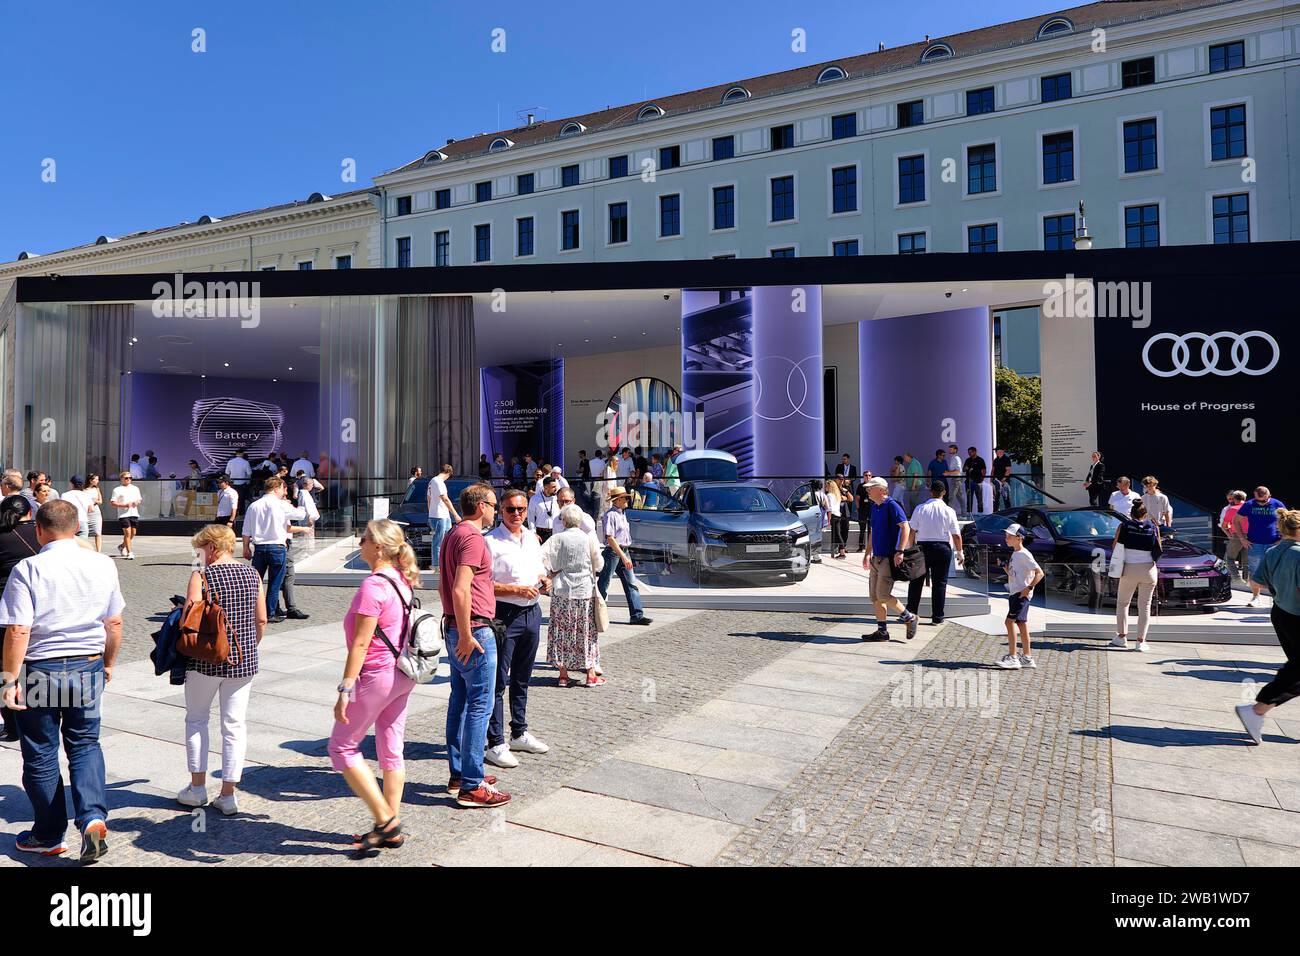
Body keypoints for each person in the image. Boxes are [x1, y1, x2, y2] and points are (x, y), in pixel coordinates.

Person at [1, 500, 125, 861]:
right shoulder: (103, 564)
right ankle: (92, 818)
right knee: (85, 744)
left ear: (39, 530)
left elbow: (19, 628)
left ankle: (48, 833)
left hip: (40, 670)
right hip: (86, 665)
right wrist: (108, 662)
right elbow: (113, 622)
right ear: (76, 528)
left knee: (40, 752)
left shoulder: (29, 568)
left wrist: (8, 679)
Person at [329, 519, 421, 851]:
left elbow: (361, 644)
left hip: (376, 675)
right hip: (401, 675)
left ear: (379, 547)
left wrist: (345, 688)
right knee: (391, 749)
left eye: (365, 539)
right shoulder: (401, 579)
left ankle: (386, 819)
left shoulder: (373, 585)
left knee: (341, 746)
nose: (360, 544)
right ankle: (390, 827)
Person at [177, 525, 266, 816]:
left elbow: (189, 619)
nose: (198, 555)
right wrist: (248, 646)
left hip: (206, 659)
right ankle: (228, 795)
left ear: (212, 548)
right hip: (243, 661)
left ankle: (197, 788)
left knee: (197, 719)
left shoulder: (201, 575)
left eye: (200, 550)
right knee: (234, 725)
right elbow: (261, 620)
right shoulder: (252, 573)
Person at [442, 483, 510, 808]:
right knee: (479, 704)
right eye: (495, 505)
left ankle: (461, 773)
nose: (497, 511)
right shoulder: (472, 537)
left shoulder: (454, 533)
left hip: (456, 627)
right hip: (474, 629)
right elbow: (460, 589)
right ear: (481, 506)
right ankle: (472, 784)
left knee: (460, 701)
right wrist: (468, 634)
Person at [484, 488, 551, 771]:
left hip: (532, 613)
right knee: (498, 681)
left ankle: (519, 732)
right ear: (500, 510)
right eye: (510, 509)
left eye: (521, 509)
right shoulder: (490, 542)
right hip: (504, 615)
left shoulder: (532, 540)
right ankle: (495, 742)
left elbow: (540, 571)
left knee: (523, 677)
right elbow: (482, 583)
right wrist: (512, 589)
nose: (516, 514)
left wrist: (544, 581)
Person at [1236, 508, 1300, 745]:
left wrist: (1281, 586)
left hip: (1281, 612)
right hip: (1295, 615)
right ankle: (1256, 710)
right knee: (1297, 670)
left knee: (1296, 666)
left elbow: (1256, 581)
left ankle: (1256, 711)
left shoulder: (1274, 551)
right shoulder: (1299, 554)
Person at [543, 504, 605, 688]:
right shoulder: (588, 539)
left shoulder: (557, 539)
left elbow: (542, 557)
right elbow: (599, 564)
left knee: (561, 631)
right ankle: (590, 674)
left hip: (562, 590)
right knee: (586, 631)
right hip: (583, 591)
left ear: (563, 521)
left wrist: (553, 570)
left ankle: (563, 675)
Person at [860, 476, 919, 641]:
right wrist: (867, 554)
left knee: (883, 595)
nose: (867, 490)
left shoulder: (892, 505)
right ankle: (882, 632)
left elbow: (905, 526)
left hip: (887, 558)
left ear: (880, 489)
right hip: (876, 559)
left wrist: (900, 551)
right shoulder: (875, 507)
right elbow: (872, 532)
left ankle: (909, 617)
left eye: (870, 487)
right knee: (875, 597)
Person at [0, 495, 39, 742]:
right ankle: (34, 718)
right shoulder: (42, 533)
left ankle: (12, 724)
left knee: (4, 667)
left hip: (3, 609)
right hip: (38, 607)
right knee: (31, 662)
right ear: (30, 512)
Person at [241, 477, 306, 624]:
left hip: (259, 548)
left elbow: (246, 530)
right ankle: (269, 613)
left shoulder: (254, 506)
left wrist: (245, 547)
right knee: (274, 583)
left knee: (255, 583)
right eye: (282, 488)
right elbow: (300, 515)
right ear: (276, 488)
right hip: (277, 547)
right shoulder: (281, 505)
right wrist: (302, 506)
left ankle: (252, 611)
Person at [905, 481, 964, 626]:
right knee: (940, 584)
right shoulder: (949, 511)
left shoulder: (920, 508)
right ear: (944, 493)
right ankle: (937, 617)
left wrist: (909, 547)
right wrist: (960, 552)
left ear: (931, 492)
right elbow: (956, 535)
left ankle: (911, 614)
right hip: (942, 547)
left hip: (923, 547)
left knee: (916, 582)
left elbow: (912, 530)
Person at [1111, 500, 1161, 652]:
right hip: (1149, 570)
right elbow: (1158, 548)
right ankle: (1141, 641)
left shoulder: (1124, 526)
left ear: (1131, 513)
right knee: (1144, 607)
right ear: (1145, 514)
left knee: (1123, 603)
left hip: (1129, 569)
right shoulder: (1153, 527)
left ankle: (1121, 637)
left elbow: (1115, 546)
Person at [598, 487, 652, 625]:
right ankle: (594, 613)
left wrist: (625, 554)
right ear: (618, 500)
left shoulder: (622, 513)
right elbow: (610, 538)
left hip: (622, 551)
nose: (628, 499)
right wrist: (623, 556)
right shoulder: (610, 515)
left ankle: (637, 615)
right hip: (613, 553)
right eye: (625, 497)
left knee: (631, 583)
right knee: (603, 585)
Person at [998, 523, 1044, 670]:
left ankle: (1013, 657)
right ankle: (1027, 657)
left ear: (1019, 538)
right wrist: (1006, 568)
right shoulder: (1016, 553)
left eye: (1010, 536)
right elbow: (1015, 575)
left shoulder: (1024, 554)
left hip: (1020, 594)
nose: (1007, 538)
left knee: (1009, 622)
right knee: (1021, 624)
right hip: (1016, 592)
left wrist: (1028, 588)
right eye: (1006, 536)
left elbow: (1040, 573)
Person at [1241, 485, 1288, 607]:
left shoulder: (1277, 504)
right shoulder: (1249, 505)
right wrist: (1242, 538)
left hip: (1274, 543)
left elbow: (1287, 521)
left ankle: (1277, 598)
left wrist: (1283, 538)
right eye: (1258, 500)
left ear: (1269, 496)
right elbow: (1236, 520)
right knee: (1254, 571)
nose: (1261, 503)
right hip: (1254, 544)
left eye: (1264, 500)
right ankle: (1256, 597)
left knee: (1276, 571)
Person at [426, 464, 459, 567]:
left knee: (445, 541)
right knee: (439, 542)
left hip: (440, 514)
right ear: (448, 473)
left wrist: (430, 511)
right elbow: (445, 499)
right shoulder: (438, 482)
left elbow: (429, 498)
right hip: (439, 515)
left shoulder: (432, 481)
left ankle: (444, 564)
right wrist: (455, 514)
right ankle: (437, 565)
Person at [109, 471, 142, 559]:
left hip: (134, 513)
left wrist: (136, 502)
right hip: (123, 514)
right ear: (122, 479)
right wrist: (124, 505)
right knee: (127, 533)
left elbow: (139, 499)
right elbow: (113, 503)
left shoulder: (135, 488)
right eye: (126, 478)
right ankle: (130, 552)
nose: (128, 480)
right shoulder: (117, 489)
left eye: (130, 478)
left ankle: (122, 546)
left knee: (133, 533)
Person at [1219, 490, 1250, 580]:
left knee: (1229, 559)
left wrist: (1229, 534)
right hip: (1251, 536)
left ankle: (1237, 579)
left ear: (1235, 499)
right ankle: (1246, 580)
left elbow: (1224, 525)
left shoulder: (1231, 509)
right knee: (1246, 561)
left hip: (1237, 536)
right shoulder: (1251, 508)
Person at [528, 476, 560, 543]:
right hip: (540, 534)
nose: (556, 489)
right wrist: (533, 533)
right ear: (545, 487)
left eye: (556, 486)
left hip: (555, 532)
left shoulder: (558, 498)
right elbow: (531, 517)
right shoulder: (535, 499)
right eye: (553, 487)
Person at [825, 477, 847, 559]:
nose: (825, 487)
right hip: (838, 515)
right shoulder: (837, 495)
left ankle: (842, 552)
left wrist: (829, 518)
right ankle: (838, 551)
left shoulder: (829, 495)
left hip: (834, 515)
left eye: (827, 486)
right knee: (837, 534)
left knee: (837, 534)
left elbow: (830, 508)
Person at [963, 447, 987, 515]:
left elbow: (984, 470)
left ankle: (980, 512)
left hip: (978, 482)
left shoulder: (980, 460)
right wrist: (966, 468)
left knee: (979, 498)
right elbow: (964, 470)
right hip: (968, 482)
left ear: (975, 452)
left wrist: (982, 479)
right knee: (969, 498)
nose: (969, 454)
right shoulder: (968, 460)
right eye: (968, 452)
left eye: (970, 452)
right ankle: (969, 513)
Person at [944, 444, 966, 513]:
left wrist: (948, 473)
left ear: (955, 450)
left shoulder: (956, 458)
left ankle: (950, 515)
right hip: (956, 479)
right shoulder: (954, 457)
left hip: (956, 479)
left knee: (951, 497)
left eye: (951, 449)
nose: (949, 450)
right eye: (949, 449)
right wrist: (948, 472)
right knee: (960, 497)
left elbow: (958, 470)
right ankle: (964, 514)